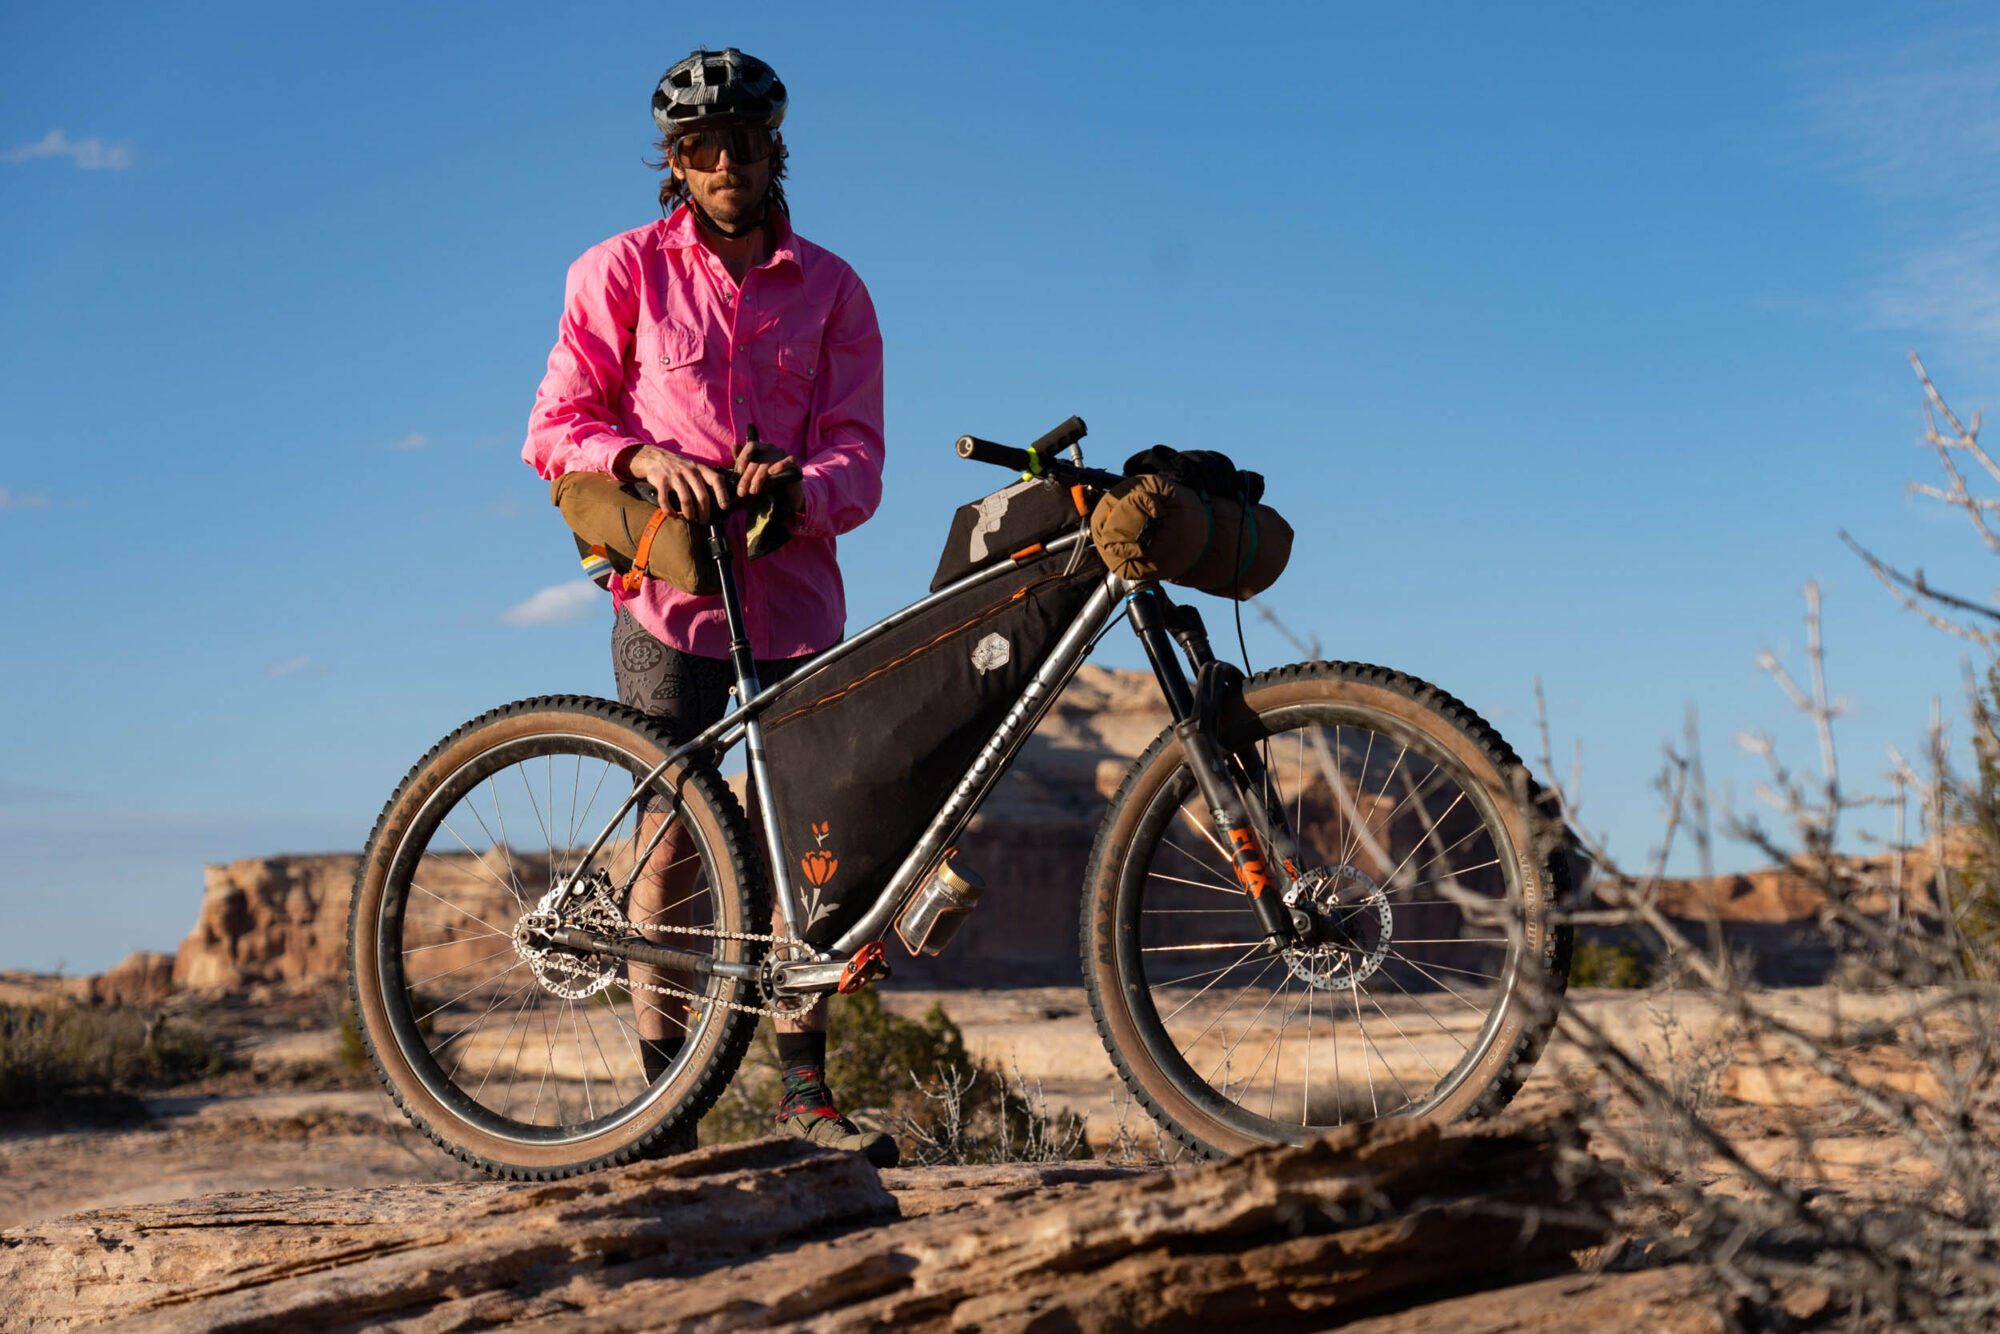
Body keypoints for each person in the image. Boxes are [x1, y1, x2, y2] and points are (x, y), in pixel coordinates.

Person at [522, 47, 894, 1166]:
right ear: (675, 163)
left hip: (790, 590)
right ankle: (659, 1101)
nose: (726, 163)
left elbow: (861, 458)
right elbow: (555, 425)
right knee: (671, 831)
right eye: (701, 148)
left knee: (805, 842)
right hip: (665, 590)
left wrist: (802, 485)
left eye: (744, 141)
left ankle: (803, 1089)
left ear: (776, 146)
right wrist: (638, 458)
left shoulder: (833, 288)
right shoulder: (617, 270)